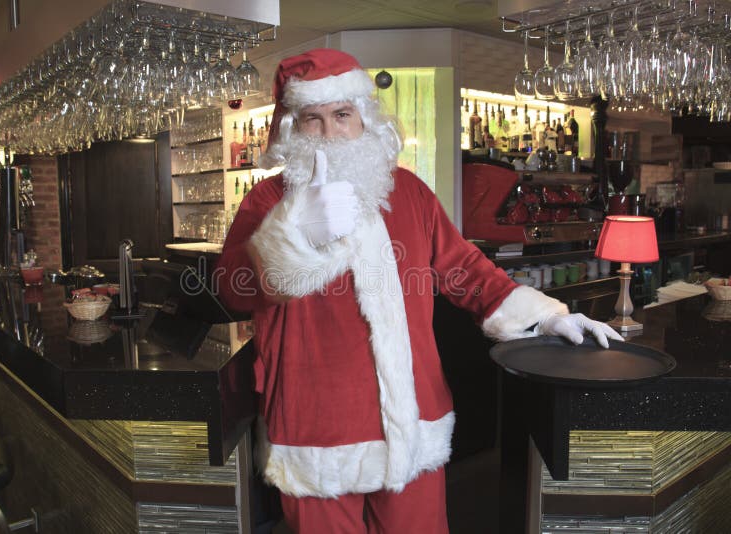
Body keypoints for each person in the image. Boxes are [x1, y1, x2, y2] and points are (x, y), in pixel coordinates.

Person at [215, 48, 622, 533]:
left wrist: (545, 317)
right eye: (312, 120)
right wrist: (292, 233)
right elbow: (231, 289)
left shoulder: (409, 192)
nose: (329, 135)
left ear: (363, 120)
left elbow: (466, 269)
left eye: (342, 115)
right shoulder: (268, 202)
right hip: (315, 429)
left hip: (413, 421)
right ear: (293, 129)